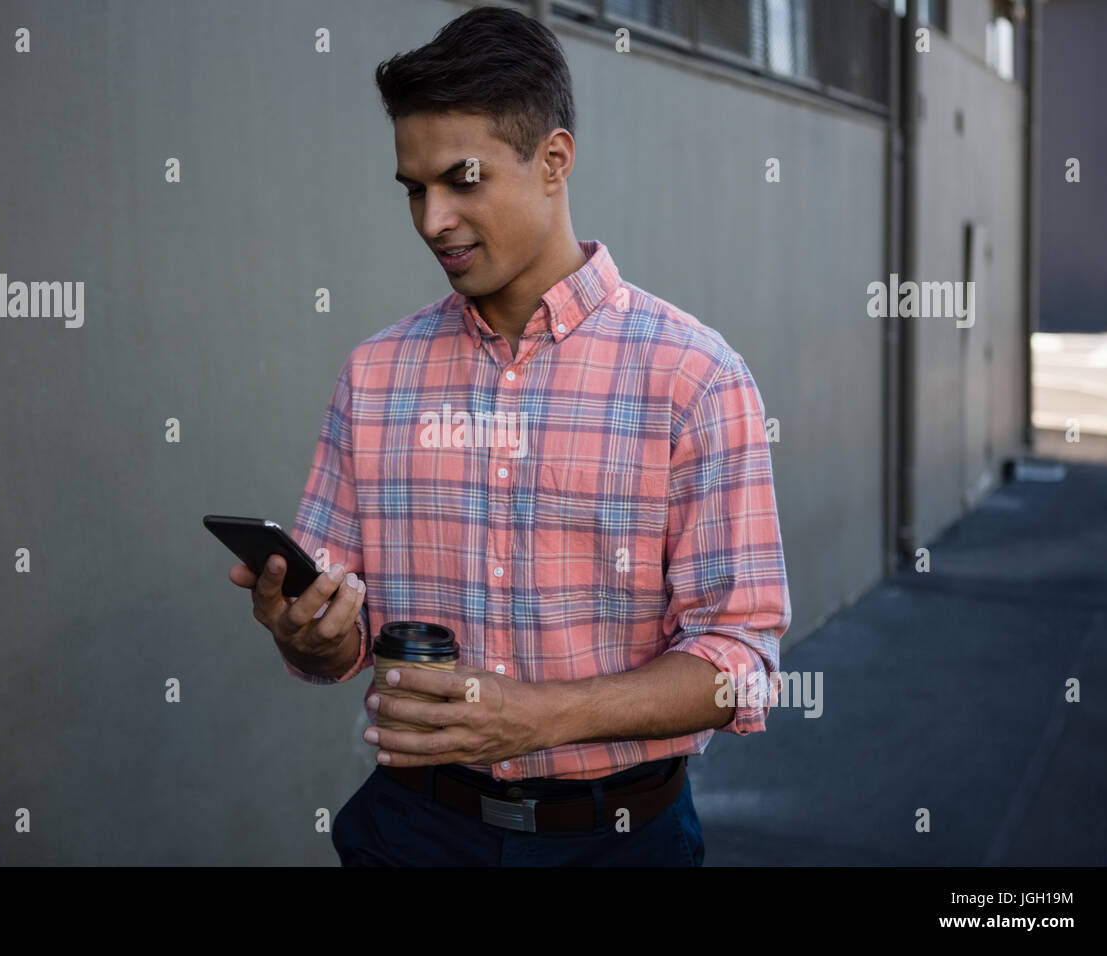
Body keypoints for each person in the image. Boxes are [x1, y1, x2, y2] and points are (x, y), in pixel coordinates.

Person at [230, 6, 790, 866]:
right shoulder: (374, 375)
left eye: (462, 180)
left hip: (618, 845)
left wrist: (538, 716)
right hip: (412, 832)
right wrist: (307, 631)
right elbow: (338, 637)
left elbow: (739, 663)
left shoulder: (695, 378)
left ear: (554, 161)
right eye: (414, 188)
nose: (432, 219)